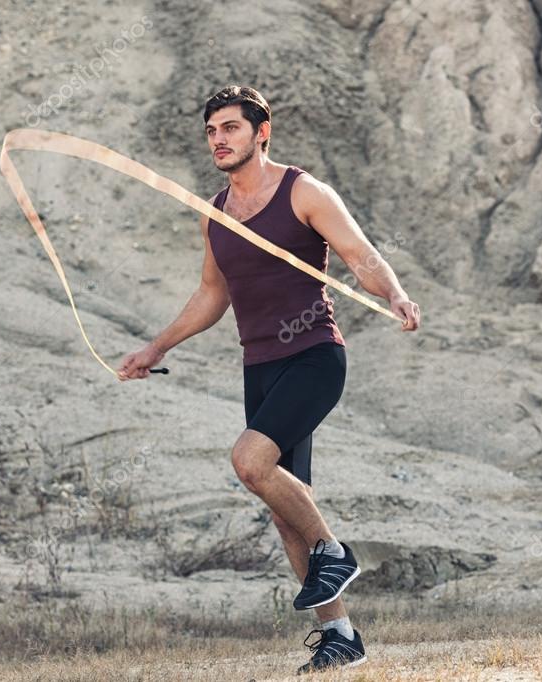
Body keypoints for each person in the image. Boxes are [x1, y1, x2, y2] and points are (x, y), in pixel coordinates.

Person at [116, 85, 420, 674]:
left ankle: (333, 551)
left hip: (313, 356)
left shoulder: (302, 191)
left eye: (230, 128)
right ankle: (340, 637)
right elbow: (212, 294)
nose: (219, 140)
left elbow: (360, 255)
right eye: (211, 131)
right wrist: (155, 347)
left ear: (261, 132)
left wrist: (397, 294)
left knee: (251, 463)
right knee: (285, 513)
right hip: (260, 368)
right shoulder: (216, 214)